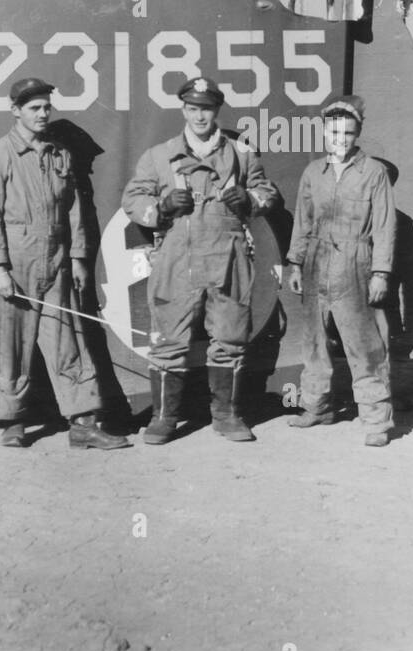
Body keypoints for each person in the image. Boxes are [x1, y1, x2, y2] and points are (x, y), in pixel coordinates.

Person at [0, 77, 130, 450]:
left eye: (46, 107)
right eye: (34, 108)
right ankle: (13, 421)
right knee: (12, 346)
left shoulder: (60, 156)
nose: (42, 114)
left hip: (56, 264)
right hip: (15, 266)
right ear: (15, 112)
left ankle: (84, 423)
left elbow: (73, 210)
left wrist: (76, 258)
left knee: (67, 343)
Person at [120, 76, 281, 443]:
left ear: (216, 111)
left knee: (230, 338)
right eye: (193, 109)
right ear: (184, 110)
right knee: (168, 342)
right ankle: (164, 418)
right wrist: (159, 207)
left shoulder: (241, 154)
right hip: (178, 260)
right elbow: (132, 200)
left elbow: (266, 192)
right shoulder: (159, 156)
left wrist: (251, 200)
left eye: (206, 109)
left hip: (229, 259)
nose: (199, 117)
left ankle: (227, 415)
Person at [285, 95, 397, 448]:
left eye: (348, 133)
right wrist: (295, 261)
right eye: (334, 132)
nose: (341, 139)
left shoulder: (373, 173)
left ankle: (376, 419)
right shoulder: (312, 173)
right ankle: (317, 406)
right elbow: (302, 222)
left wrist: (380, 272)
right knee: (315, 341)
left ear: (357, 133)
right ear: (323, 132)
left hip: (355, 262)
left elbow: (384, 226)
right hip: (317, 260)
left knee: (364, 345)